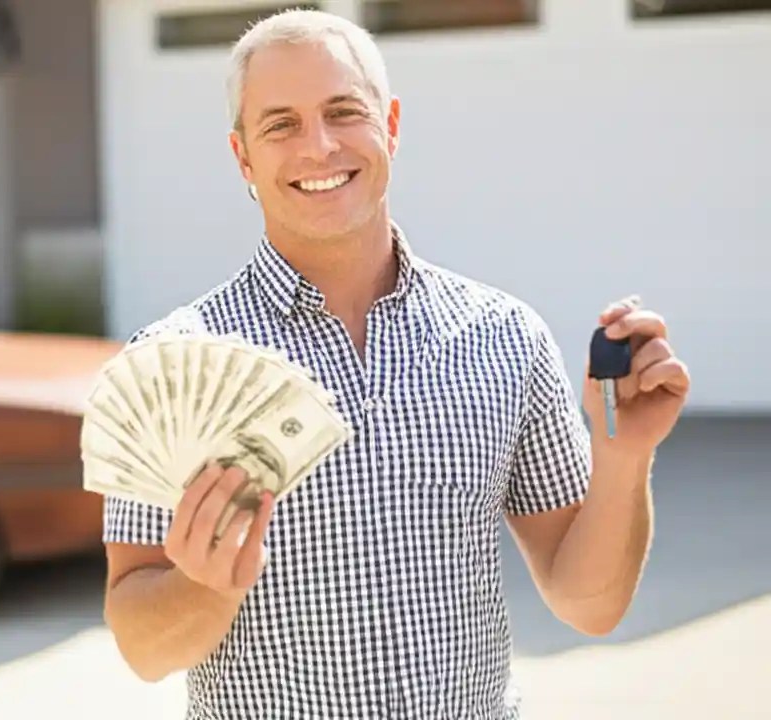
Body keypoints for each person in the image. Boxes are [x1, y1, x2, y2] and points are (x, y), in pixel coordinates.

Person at [100, 9, 690, 720]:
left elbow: (589, 604)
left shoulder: (502, 337)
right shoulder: (167, 368)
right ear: (243, 158)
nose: (318, 146)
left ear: (393, 125)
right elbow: (142, 648)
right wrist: (207, 585)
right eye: (281, 125)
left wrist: (624, 458)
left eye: (343, 112)